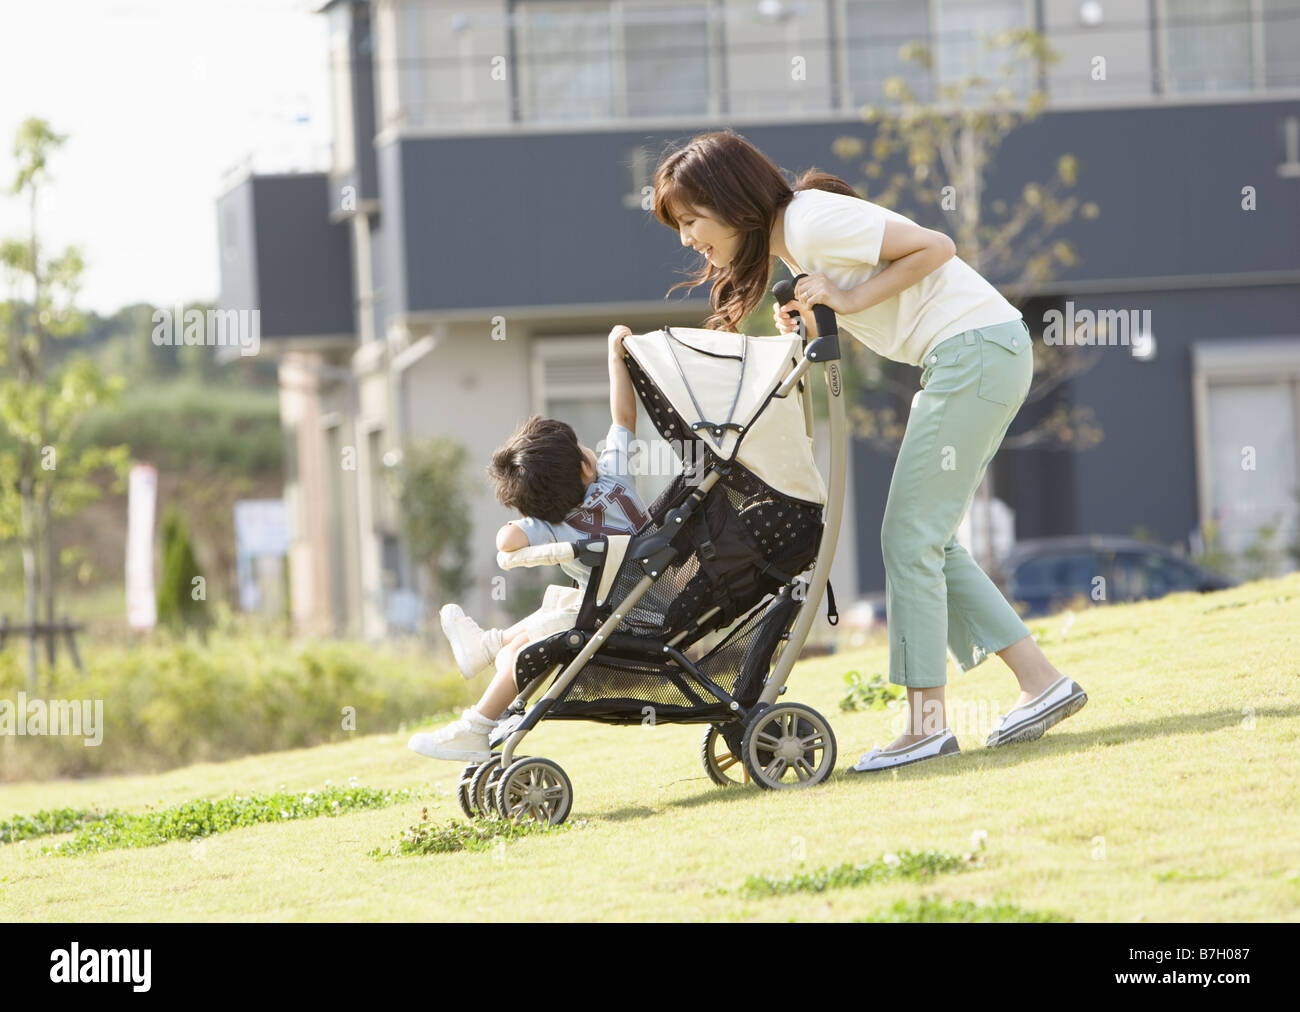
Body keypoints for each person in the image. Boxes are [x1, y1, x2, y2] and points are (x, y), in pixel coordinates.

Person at [649, 130, 1087, 773]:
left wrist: (846, 300)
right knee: (925, 539)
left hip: (975, 353)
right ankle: (1040, 682)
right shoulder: (798, 243)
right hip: (971, 356)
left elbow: (937, 248)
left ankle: (925, 726)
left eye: (691, 220)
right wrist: (817, 314)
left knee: (909, 537)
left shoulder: (812, 220)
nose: (688, 239)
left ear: (730, 199)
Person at [407, 325, 650, 762]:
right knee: (553, 613)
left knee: (526, 648)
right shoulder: (615, 477)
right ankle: (486, 650)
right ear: (583, 467)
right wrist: (616, 360)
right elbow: (623, 418)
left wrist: (526, 519)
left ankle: (476, 724)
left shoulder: (551, 525)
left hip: (615, 618)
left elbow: (508, 540)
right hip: (646, 603)